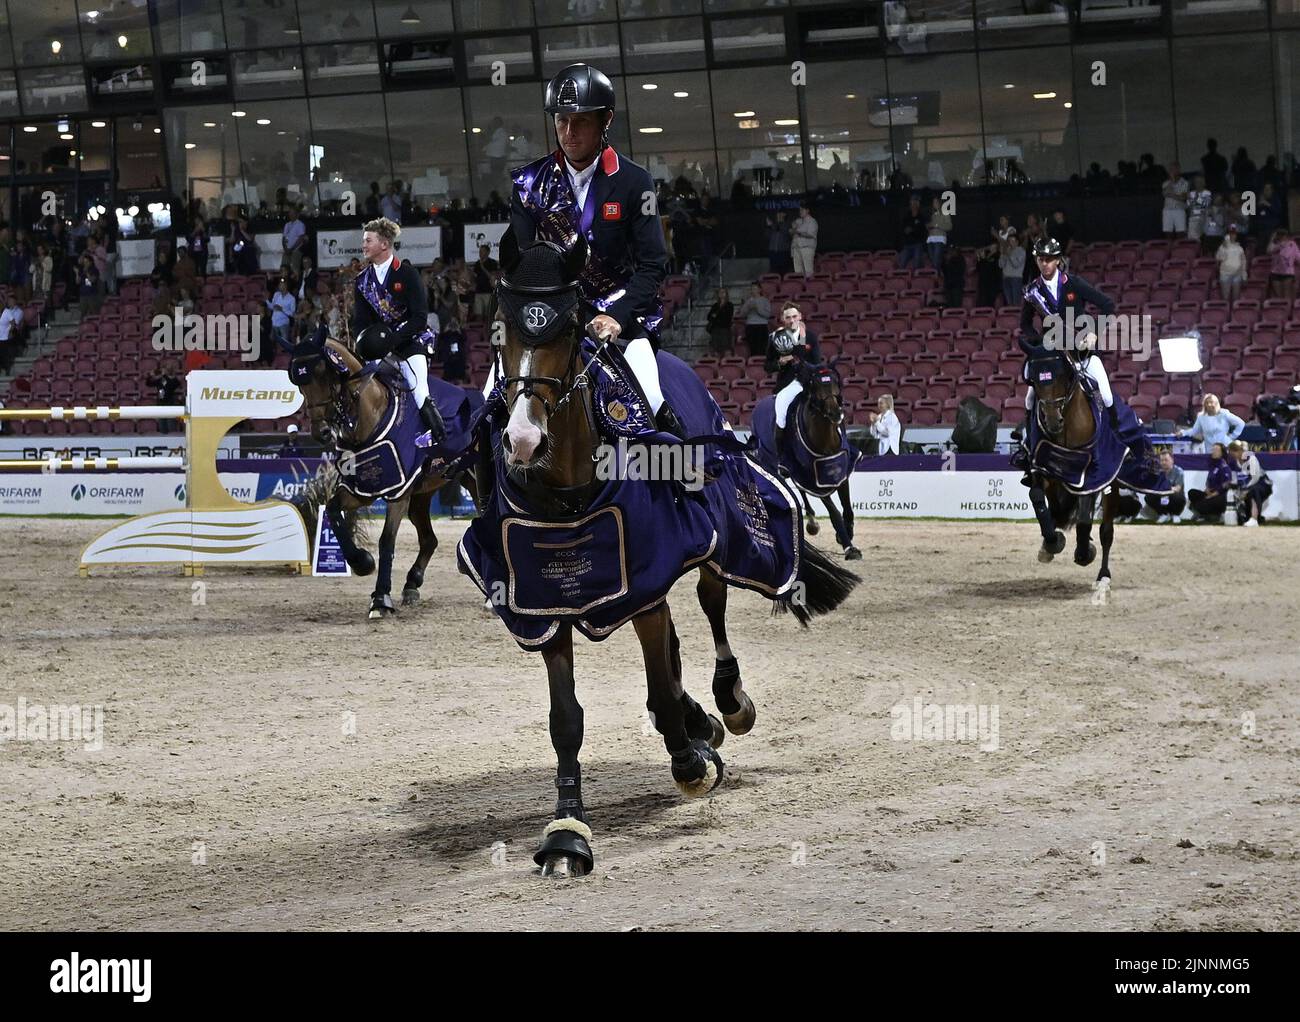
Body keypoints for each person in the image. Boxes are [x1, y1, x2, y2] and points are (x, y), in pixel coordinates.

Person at [493, 63, 681, 436]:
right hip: (550, 321)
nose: (569, 132)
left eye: (580, 121)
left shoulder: (634, 182)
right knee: (489, 405)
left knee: (653, 402)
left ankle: (678, 466)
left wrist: (618, 317)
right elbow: (525, 265)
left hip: (618, 320)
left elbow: (653, 263)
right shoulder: (529, 184)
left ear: (605, 119)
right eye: (561, 121)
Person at [1013, 236, 1150, 474]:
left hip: (1081, 351)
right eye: (1041, 259)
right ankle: (1029, 449)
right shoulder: (1032, 291)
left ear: (1058, 260)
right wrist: (1039, 342)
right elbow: (1025, 324)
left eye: (1049, 259)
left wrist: (1094, 332)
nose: (1045, 263)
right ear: (1037, 261)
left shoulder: (1073, 283)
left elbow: (1107, 305)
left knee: (1105, 395)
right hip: (1052, 355)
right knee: (1030, 398)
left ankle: (1117, 442)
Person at [352, 216, 445, 443]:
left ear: (384, 244)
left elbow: (420, 318)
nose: (363, 245)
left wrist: (393, 340)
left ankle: (438, 438)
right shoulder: (362, 281)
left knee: (419, 389)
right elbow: (361, 322)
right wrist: (365, 345)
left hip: (411, 342)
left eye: (368, 241)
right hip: (380, 347)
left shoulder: (407, 273)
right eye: (364, 241)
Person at [765, 301, 822, 449]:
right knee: (781, 410)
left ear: (800, 316)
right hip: (787, 383)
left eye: (794, 316)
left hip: (808, 381)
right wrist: (779, 362)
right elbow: (768, 366)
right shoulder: (775, 338)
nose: (792, 320)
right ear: (783, 319)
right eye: (788, 317)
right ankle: (780, 447)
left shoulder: (810, 337)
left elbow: (816, 362)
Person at [1178, 393, 1244, 453]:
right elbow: (1194, 430)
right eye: (1207, 403)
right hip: (1210, 449)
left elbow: (1241, 423)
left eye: (1211, 402)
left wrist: (1232, 437)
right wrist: (1183, 433)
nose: (1209, 405)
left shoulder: (1224, 413)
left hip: (1224, 446)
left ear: (1216, 403)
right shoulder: (1201, 417)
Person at [1187, 442, 1233, 523]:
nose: (1213, 452)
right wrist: (1207, 488)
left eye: (1216, 450)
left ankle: (1214, 515)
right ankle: (1204, 514)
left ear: (1222, 453)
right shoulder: (1213, 465)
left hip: (1219, 496)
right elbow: (1209, 480)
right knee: (1192, 493)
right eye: (1213, 450)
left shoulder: (1224, 467)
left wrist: (1213, 494)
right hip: (1210, 493)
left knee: (1201, 504)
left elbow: (1225, 485)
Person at [1228, 439, 1271, 526]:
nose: (1234, 454)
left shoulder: (1251, 459)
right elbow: (1235, 481)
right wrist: (1238, 493)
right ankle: (1256, 518)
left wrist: (1245, 490)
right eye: (1232, 452)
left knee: (1254, 490)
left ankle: (1254, 519)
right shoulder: (1233, 463)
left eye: (1236, 451)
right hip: (1246, 487)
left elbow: (1255, 478)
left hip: (1262, 484)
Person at [1143, 448, 1186, 523]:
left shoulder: (1179, 471)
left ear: (1172, 460)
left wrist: (1164, 489)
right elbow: (1153, 487)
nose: (1163, 462)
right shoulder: (1157, 472)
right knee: (1148, 497)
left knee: (1178, 497)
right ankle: (1163, 514)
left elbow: (1177, 488)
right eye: (1161, 460)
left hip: (1173, 495)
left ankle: (1175, 515)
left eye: (1166, 460)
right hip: (1161, 495)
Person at [146, 360, 183, 435]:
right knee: (162, 425)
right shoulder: (161, 379)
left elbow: (171, 385)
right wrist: (150, 376)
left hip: (170, 404)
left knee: (171, 425)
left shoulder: (174, 380)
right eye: (165, 368)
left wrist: (163, 376)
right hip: (160, 403)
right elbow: (149, 383)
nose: (166, 370)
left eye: (168, 369)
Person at [739, 283, 771, 360]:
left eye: (755, 289)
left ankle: (762, 364)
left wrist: (758, 309)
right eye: (752, 289)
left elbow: (767, 315)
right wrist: (748, 308)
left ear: (760, 290)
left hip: (762, 326)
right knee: (753, 348)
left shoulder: (765, 300)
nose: (753, 291)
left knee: (762, 348)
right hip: (750, 326)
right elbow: (742, 314)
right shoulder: (748, 301)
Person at [1266, 228, 1299, 303]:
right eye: (1280, 234)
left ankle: (1287, 309)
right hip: (1275, 273)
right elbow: (1269, 251)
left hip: (1288, 273)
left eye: (1283, 235)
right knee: (1278, 296)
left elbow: (1298, 257)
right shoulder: (1274, 244)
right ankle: (1280, 310)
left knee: (1286, 295)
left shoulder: (1292, 244)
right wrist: (1272, 239)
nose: (1282, 237)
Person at [1216, 224, 1247, 303]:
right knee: (1225, 299)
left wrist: (1244, 276)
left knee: (1236, 299)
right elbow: (1219, 258)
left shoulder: (1240, 248)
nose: (1233, 235)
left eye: (1234, 233)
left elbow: (1243, 263)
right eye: (1231, 233)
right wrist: (1224, 246)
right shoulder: (1222, 247)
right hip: (1225, 274)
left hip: (1237, 275)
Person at [470, 243, 498, 321]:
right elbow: (475, 276)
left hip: (488, 292)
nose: (480, 253)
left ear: (488, 252)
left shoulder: (492, 262)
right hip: (478, 291)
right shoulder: (477, 263)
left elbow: (492, 276)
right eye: (480, 251)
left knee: (488, 314)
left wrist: (483, 267)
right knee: (478, 314)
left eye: (482, 251)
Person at [267, 278, 296, 351]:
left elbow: (292, 313)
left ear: (286, 286)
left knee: (284, 344)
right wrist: (267, 301)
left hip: (283, 323)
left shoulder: (291, 298)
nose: (280, 286)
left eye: (282, 285)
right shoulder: (276, 295)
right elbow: (272, 307)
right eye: (280, 285)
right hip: (274, 322)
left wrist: (282, 309)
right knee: (271, 342)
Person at [790, 203, 818, 279]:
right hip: (796, 248)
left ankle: (810, 285)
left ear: (807, 210)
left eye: (802, 210)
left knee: (808, 271)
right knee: (798, 271)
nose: (800, 212)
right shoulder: (799, 221)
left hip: (807, 248)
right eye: (800, 210)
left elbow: (811, 235)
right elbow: (793, 226)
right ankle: (800, 284)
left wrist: (798, 232)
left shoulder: (812, 221)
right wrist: (793, 228)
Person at [1161, 163, 1188, 239]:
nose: (1171, 171)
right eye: (1170, 169)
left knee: (1180, 232)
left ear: (1178, 170)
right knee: (1167, 232)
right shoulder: (1165, 183)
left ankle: (1180, 246)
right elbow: (1164, 193)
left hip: (1179, 209)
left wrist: (1171, 195)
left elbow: (1183, 198)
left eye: (1173, 169)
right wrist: (1172, 181)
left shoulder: (1184, 182)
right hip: (1167, 210)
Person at [898, 196, 926, 269]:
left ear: (918, 205)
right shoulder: (906, 217)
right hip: (907, 244)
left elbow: (922, 231)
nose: (913, 206)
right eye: (912, 204)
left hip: (917, 244)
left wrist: (912, 230)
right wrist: (906, 231)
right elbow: (902, 229)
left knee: (917, 265)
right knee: (901, 264)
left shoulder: (921, 217)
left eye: (915, 204)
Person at [999, 230, 1025, 307]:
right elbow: (1001, 265)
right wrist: (1002, 255)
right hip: (1006, 278)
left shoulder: (1021, 251)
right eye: (1009, 241)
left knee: (1016, 302)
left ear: (1017, 242)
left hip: (1016, 278)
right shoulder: (1007, 250)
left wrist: (1009, 254)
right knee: (1008, 303)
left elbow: (1016, 264)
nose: (1010, 243)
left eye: (1012, 241)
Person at [925, 196, 951, 272]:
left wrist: (937, 225)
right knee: (933, 259)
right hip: (930, 239)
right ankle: (939, 273)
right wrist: (928, 226)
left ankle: (937, 275)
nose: (934, 204)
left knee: (936, 260)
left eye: (936, 202)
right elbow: (932, 225)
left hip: (939, 239)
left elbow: (949, 226)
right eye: (933, 202)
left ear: (940, 203)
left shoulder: (945, 213)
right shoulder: (933, 215)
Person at [706, 287, 734, 355]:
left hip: (725, 329)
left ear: (726, 294)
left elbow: (728, 317)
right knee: (715, 350)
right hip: (715, 329)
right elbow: (709, 317)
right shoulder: (715, 305)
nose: (721, 294)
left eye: (723, 292)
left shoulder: (729, 305)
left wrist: (716, 316)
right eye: (720, 292)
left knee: (726, 349)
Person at [281, 207, 307, 279]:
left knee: (294, 268)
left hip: (296, 250)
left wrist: (292, 249)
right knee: (284, 267)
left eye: (293, 213)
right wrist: (286, 249)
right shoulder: (287, 225)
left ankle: (296, 283)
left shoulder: (300, 224)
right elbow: (284, 238)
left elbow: (301, 238)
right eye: (290, 213)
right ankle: (284, 282)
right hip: (287, 250)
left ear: (297, 215)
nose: (291, 215)